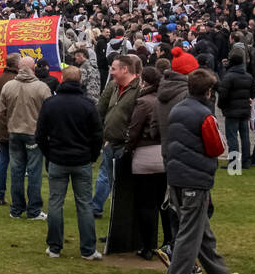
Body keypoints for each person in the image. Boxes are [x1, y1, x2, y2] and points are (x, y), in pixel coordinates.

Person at [161, 68, 240, 274]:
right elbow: (216, 147)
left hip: (177, 175)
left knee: (201, 231)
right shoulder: (204, 115)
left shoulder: (177, 109)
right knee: (189, 233)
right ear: (208, 91)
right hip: (194, 179)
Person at [35, 65, 103, 259]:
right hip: (80, 159)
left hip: (59, 158)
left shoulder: (51, 104)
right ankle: (88, 249)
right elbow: (97, 134)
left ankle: (55, 246)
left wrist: (49, 153)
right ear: (80, 80)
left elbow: (40, 134)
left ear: (62, 79)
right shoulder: (88, 104)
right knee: (84, 204)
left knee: (55, 203)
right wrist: (92, 155)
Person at [0, 56, 51, 220]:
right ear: (33, 68)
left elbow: (1, 112)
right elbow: (49, 113)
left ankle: (16, 209)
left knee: (16, 171)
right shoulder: (42, 87)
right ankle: (34, 210)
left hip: (14, 133)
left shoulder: (8, 86)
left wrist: (10, 124)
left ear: (19, 68)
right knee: (34, 172)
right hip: (33, 134)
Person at [93, 54, 140, 218]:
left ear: (125, 69)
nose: (111, 72)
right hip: (110, 142)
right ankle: (113, 216)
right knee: (109, 179)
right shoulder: (114, 86)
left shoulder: (138, 89)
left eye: (113, 69)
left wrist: (128, 140)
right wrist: (103, 136)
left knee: (123, 184)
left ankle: (123, 218)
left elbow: (139, 119)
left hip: (125, 145)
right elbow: (102, 109)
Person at [126, 66, 165, 260]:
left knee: (146, 204)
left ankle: (147, 246)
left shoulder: (143, 102)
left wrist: (127, 147)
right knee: (162, 203)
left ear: (145, 82)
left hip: (145, 155)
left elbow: (134, 130)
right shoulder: (166, 100)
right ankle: (166, 243)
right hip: (165, 155)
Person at [0, 55, 20, 206]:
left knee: (2, 161)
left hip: (1, 126)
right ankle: (17, 198)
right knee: (18, 164)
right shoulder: (17, 82)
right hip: (16, 126)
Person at [216, 50, 254, 169]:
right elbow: (253, 93)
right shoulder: (249, 76)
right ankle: (246, 161)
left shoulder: (229, 77)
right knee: (245, 136)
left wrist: (222, 106)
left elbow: (223, 94)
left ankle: (234, 163)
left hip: (232, 110)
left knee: (232, 137)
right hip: (244, 109)